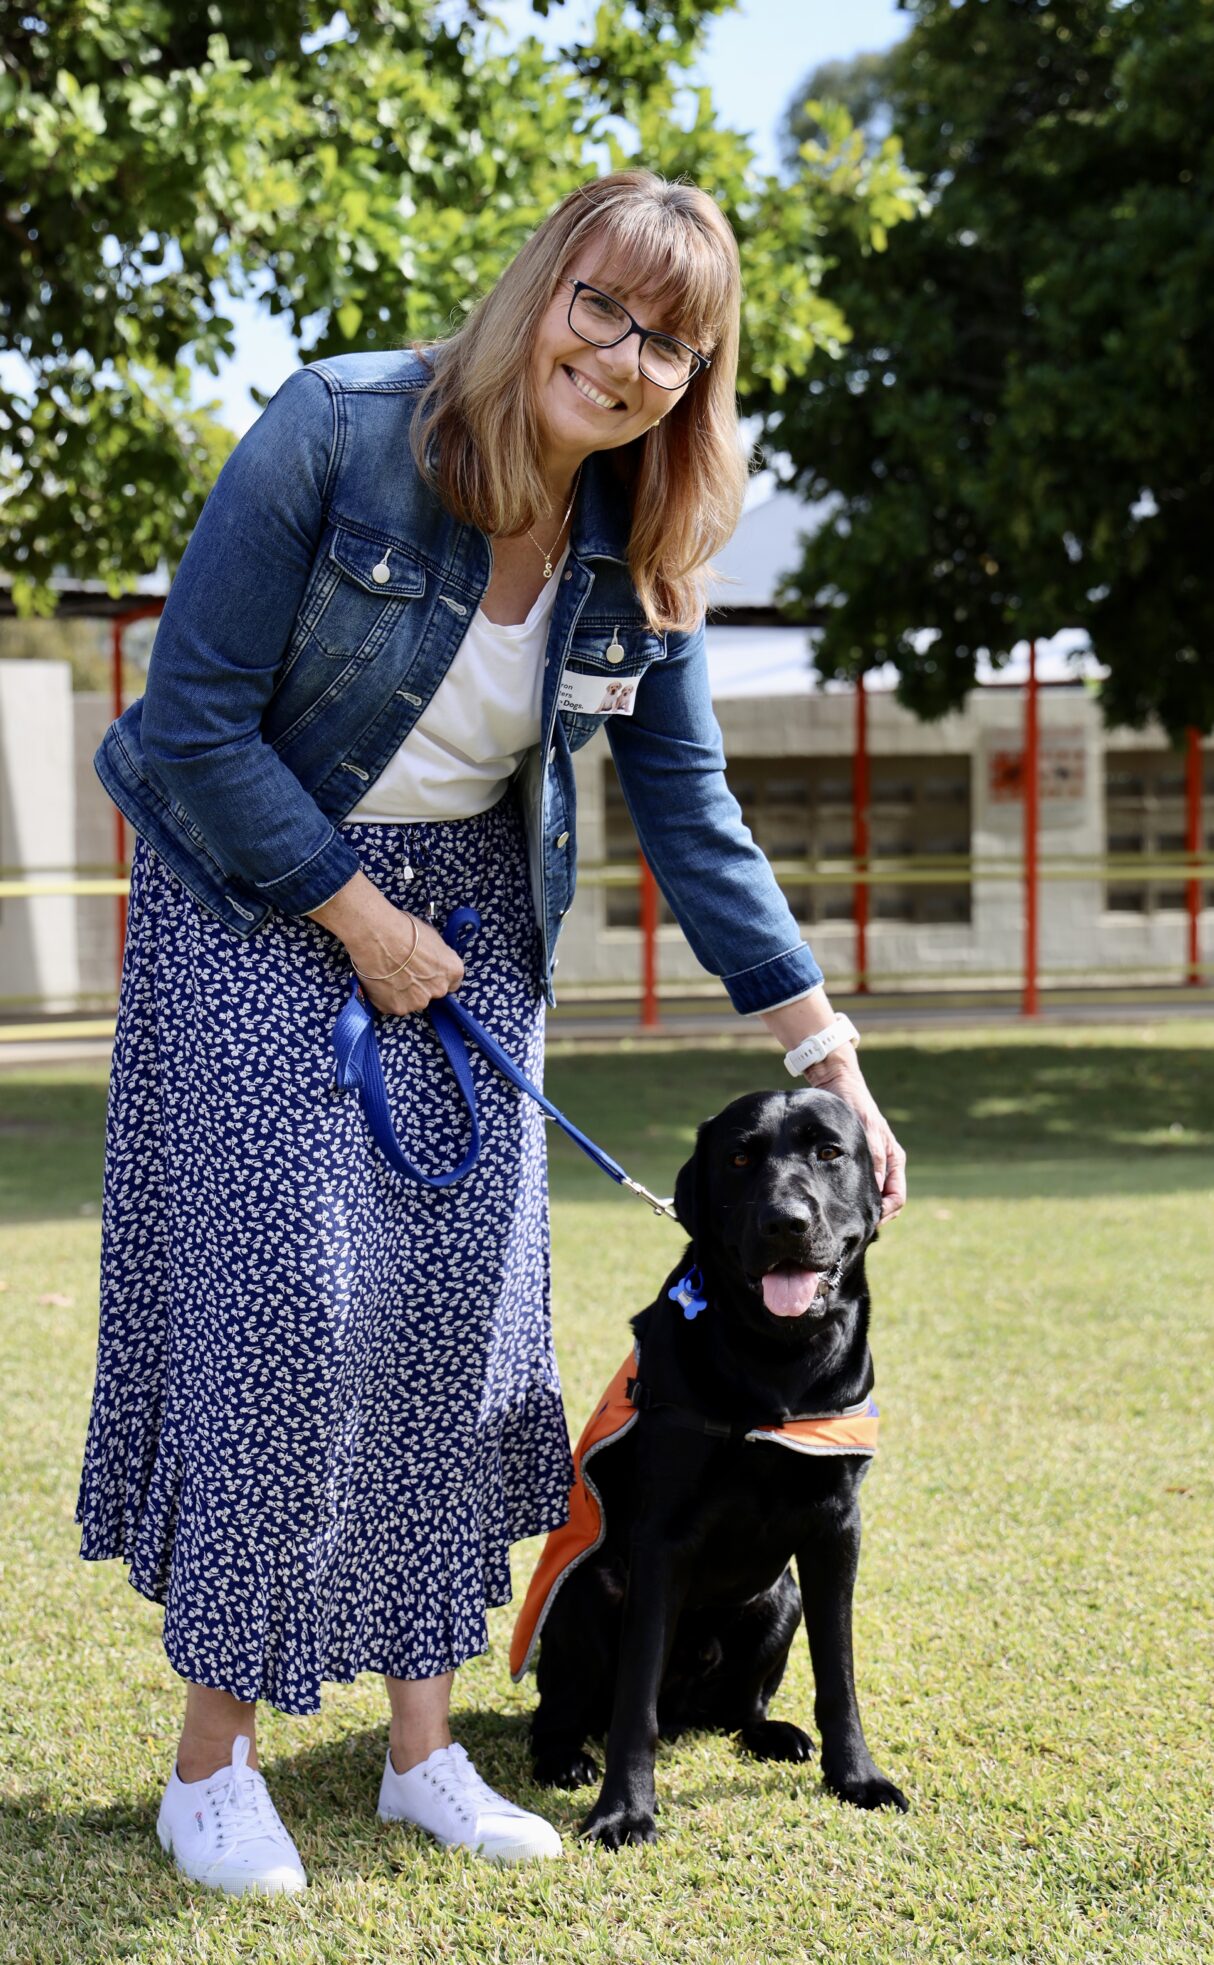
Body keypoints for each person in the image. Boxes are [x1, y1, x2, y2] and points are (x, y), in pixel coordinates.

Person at [76, 169, 906, 1896]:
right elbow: (192, 724)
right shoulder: (334, 430)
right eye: (600, 304)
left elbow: (688, 808)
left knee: (457, 1331)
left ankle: (422, 1750)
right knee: (295, 1316)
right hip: (252, 882)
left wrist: (824, 1049)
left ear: (695, 374)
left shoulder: (642, 539)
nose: (619, 356)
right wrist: (354, 916)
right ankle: (209, 1765)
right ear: (543, 286)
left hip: (469, 915)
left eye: (669, 340)